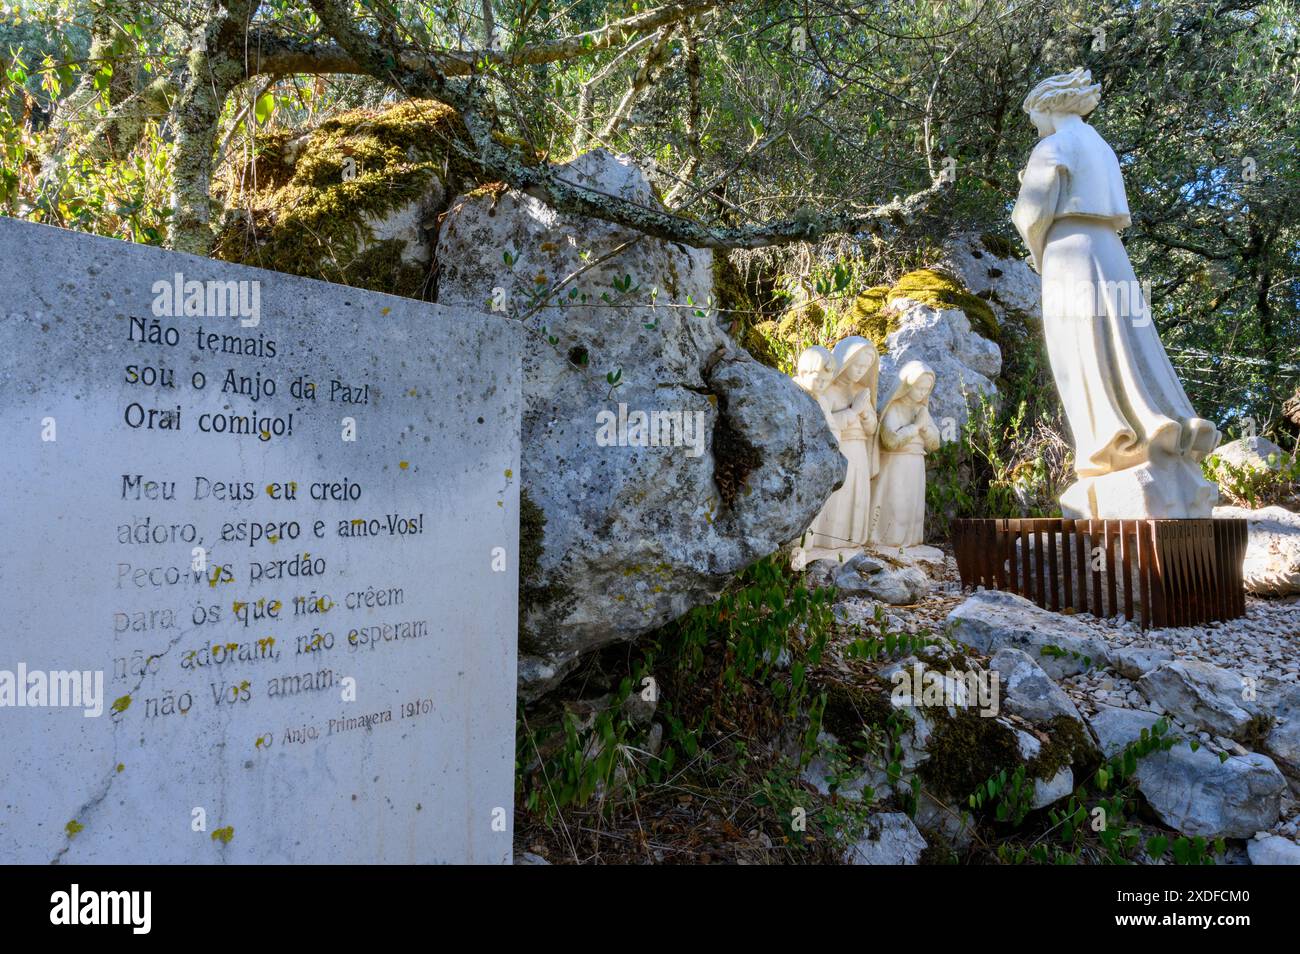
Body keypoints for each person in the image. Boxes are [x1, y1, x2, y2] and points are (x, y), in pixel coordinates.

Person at [1011, 68, 1218, 517]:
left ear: (1047, 106)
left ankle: (1112, 438)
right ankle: (1158, 424)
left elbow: (1029, 214)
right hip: (1110, 250)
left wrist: (1039, 254)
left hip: (1070, 250)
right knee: (1129, 341)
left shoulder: (1052, 145)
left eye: (1034, 117)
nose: (1035, 126)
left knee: (1083, 349)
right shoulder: (1100, 145)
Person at [871, 361, 939, 547]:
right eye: (919, 388)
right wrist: (915, 427)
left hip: (915, 464)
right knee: (895, 504)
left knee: (912, 506)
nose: (923, 393)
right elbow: (890, 441)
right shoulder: (894, 408)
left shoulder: (921, 410)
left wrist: (925, 429)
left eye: (927, 389)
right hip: (896, 464)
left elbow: (935, 443)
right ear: (908, 385)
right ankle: (889, 540)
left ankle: (910, 541)